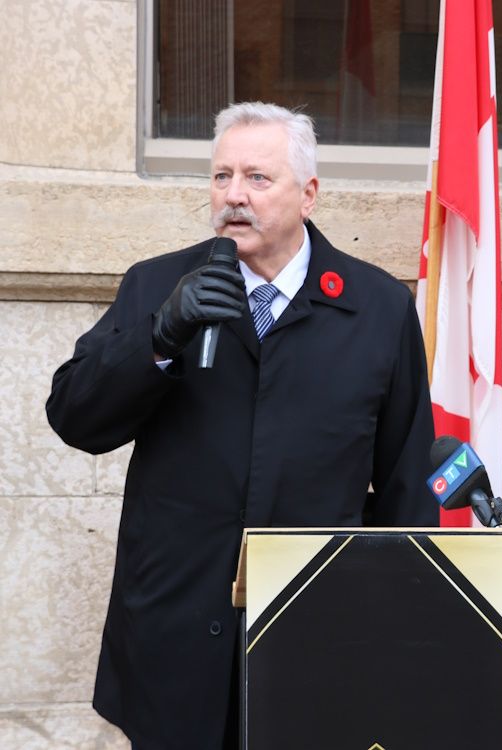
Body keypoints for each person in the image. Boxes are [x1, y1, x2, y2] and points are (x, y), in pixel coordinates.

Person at [46, 102, 438, 749]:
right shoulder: (158, 286)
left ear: (308, 194)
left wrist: (393, 642)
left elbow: (407, 493)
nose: (234, 196)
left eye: (258, 178)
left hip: (313, 641)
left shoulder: (377, 309)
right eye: (221, 176)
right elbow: (74, 416)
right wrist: (159, 338)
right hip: (173, 638)